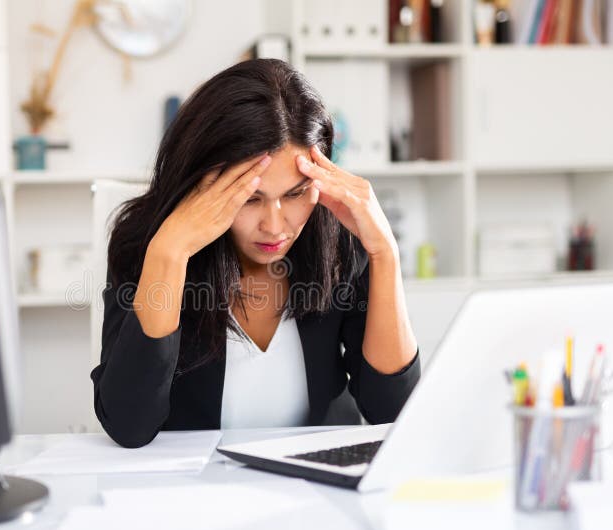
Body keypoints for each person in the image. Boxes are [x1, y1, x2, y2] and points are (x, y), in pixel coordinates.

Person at [91, 58, 420, 448]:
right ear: (200, 182)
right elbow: (129, 425)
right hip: (191, 494)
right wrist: (171, 251)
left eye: (295, 194)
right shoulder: (148, 241)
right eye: (249, 198)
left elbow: (393, 412)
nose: (275, 226)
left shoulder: (340, 238)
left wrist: (384, 252)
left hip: (316, 486)